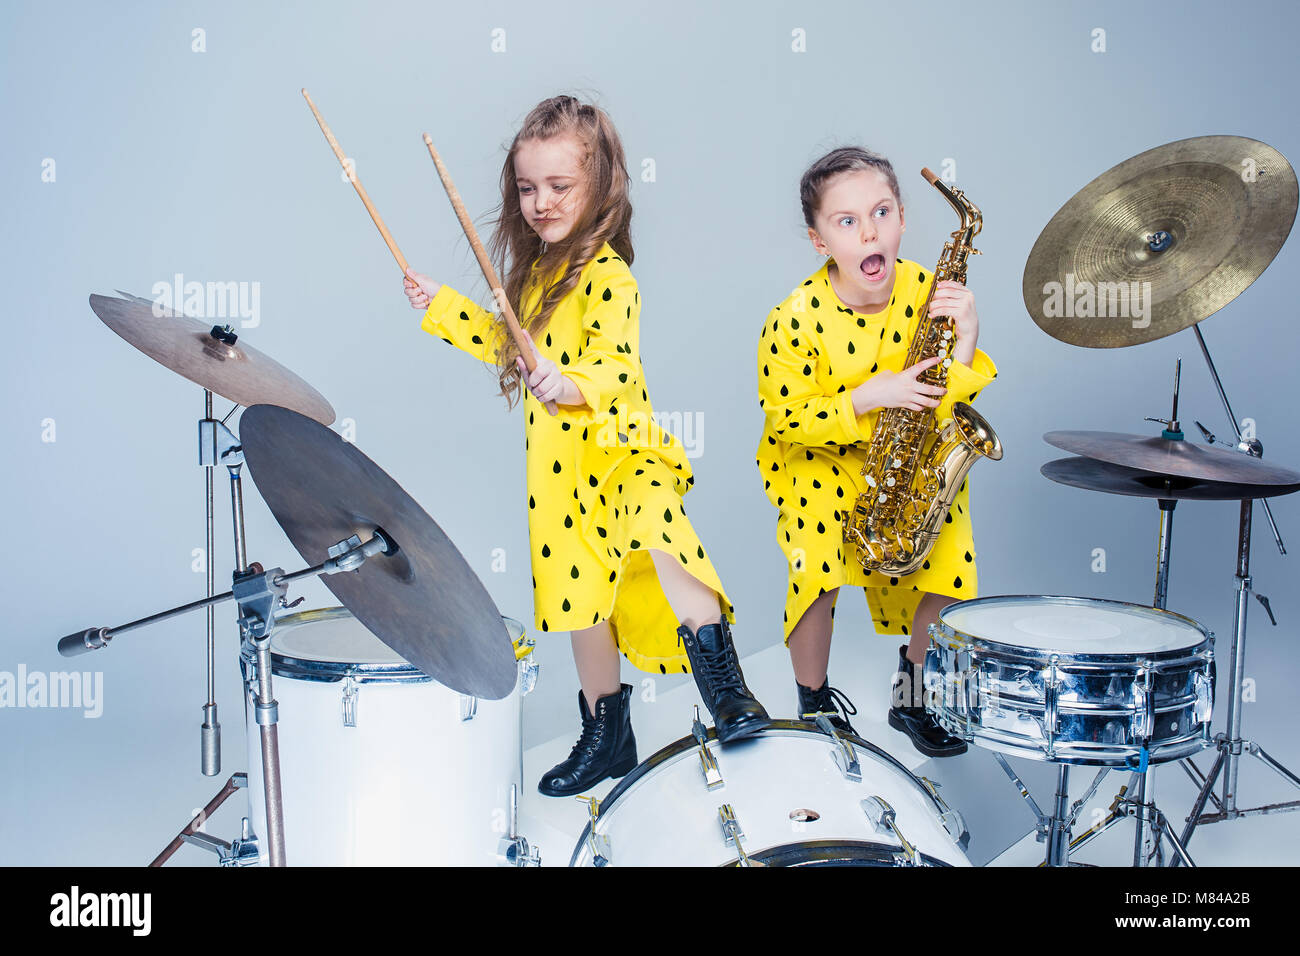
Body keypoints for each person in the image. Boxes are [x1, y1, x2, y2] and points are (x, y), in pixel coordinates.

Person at [404, 95, 768, 796]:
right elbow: (506, 345)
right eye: (528, 188)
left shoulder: (610, 276)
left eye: (559, 186)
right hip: (559, 469)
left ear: (599, 185)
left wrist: (566, 383)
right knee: (579, 598)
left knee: (668, 549)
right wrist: (443, 305)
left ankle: (727, 691)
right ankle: (608, 734)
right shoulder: (534, 278)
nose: (541, 202)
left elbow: (614, 365)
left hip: (623, 453)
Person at [755, 146, 997, 756]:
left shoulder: (933, 292)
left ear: (903, 218)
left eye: (881, 212)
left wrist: (967, 339)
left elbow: (946, 408)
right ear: (819, 242)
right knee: (816, 569)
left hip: (910, 454)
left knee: (949, 556)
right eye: (847, 221)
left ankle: (913, 695)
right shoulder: (791, 318)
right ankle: (813, 701)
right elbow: (788, 420)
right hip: (819, 460)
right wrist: (868, 396)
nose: (869, 231)